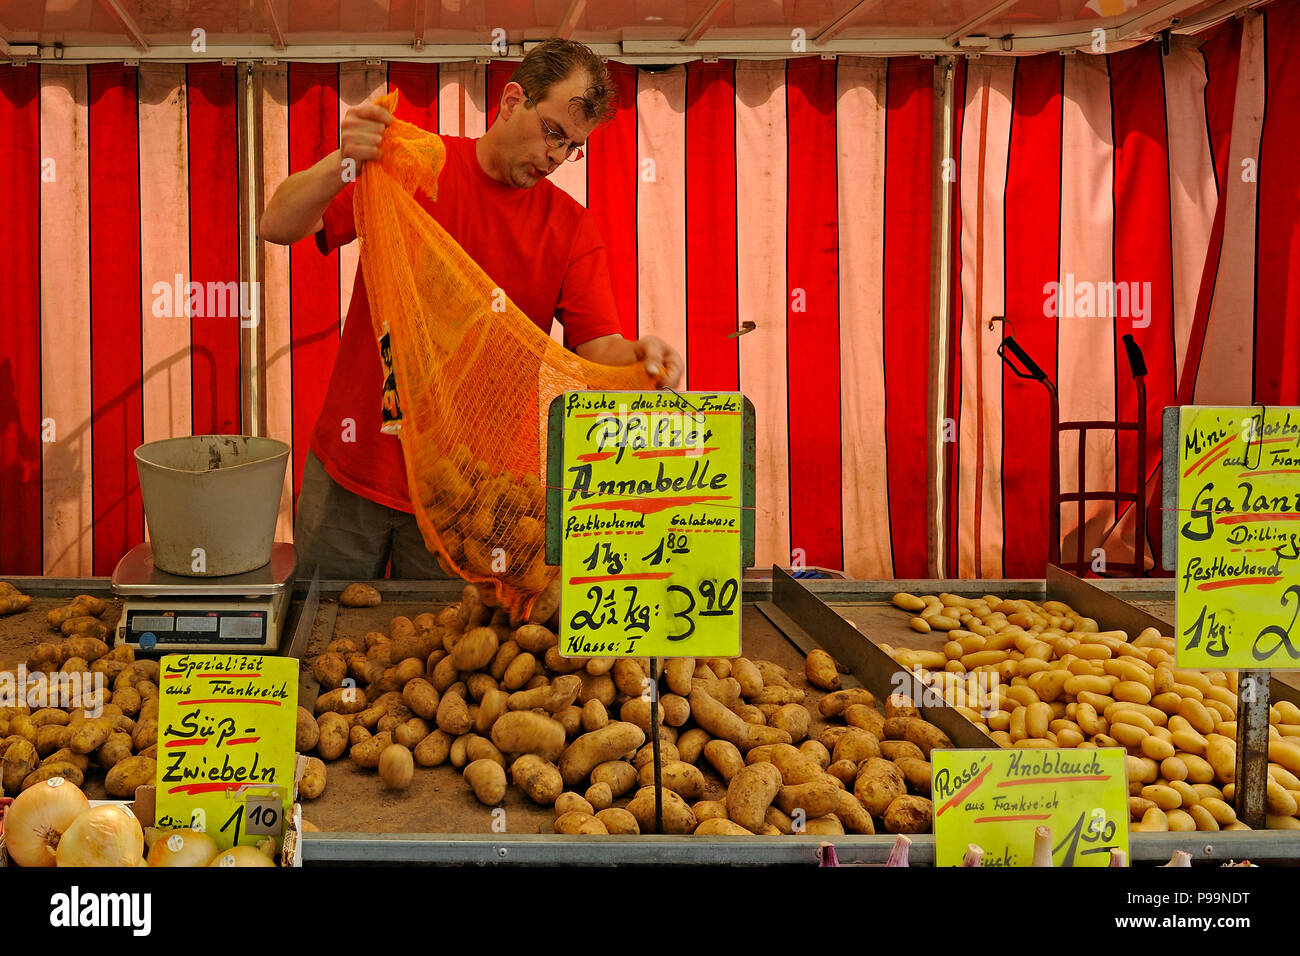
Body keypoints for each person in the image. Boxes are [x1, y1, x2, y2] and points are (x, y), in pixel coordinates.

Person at [260, 39, 684, 580]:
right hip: (353, 467)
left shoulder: (571, 229)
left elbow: (597, 347)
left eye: (574, 146)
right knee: (319, 631)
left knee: (441, 651)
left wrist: (640, 356)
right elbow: (275, 225)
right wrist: (345, 161)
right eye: (554, 132)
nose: (557, 157)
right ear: (512, 100)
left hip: (471, 495)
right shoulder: (417, 166)